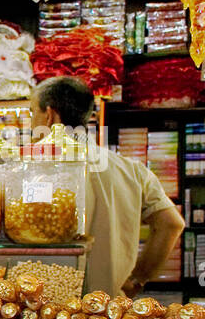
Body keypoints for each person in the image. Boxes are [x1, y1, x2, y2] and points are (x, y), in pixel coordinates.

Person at [30, 76, 185, 298]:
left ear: (49, 115)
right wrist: (137, 278)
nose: (31, 122)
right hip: (109, 311)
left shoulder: (29, 169)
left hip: (46, 309)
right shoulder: (131, 170)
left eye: (32, 112)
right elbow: (171, 223)